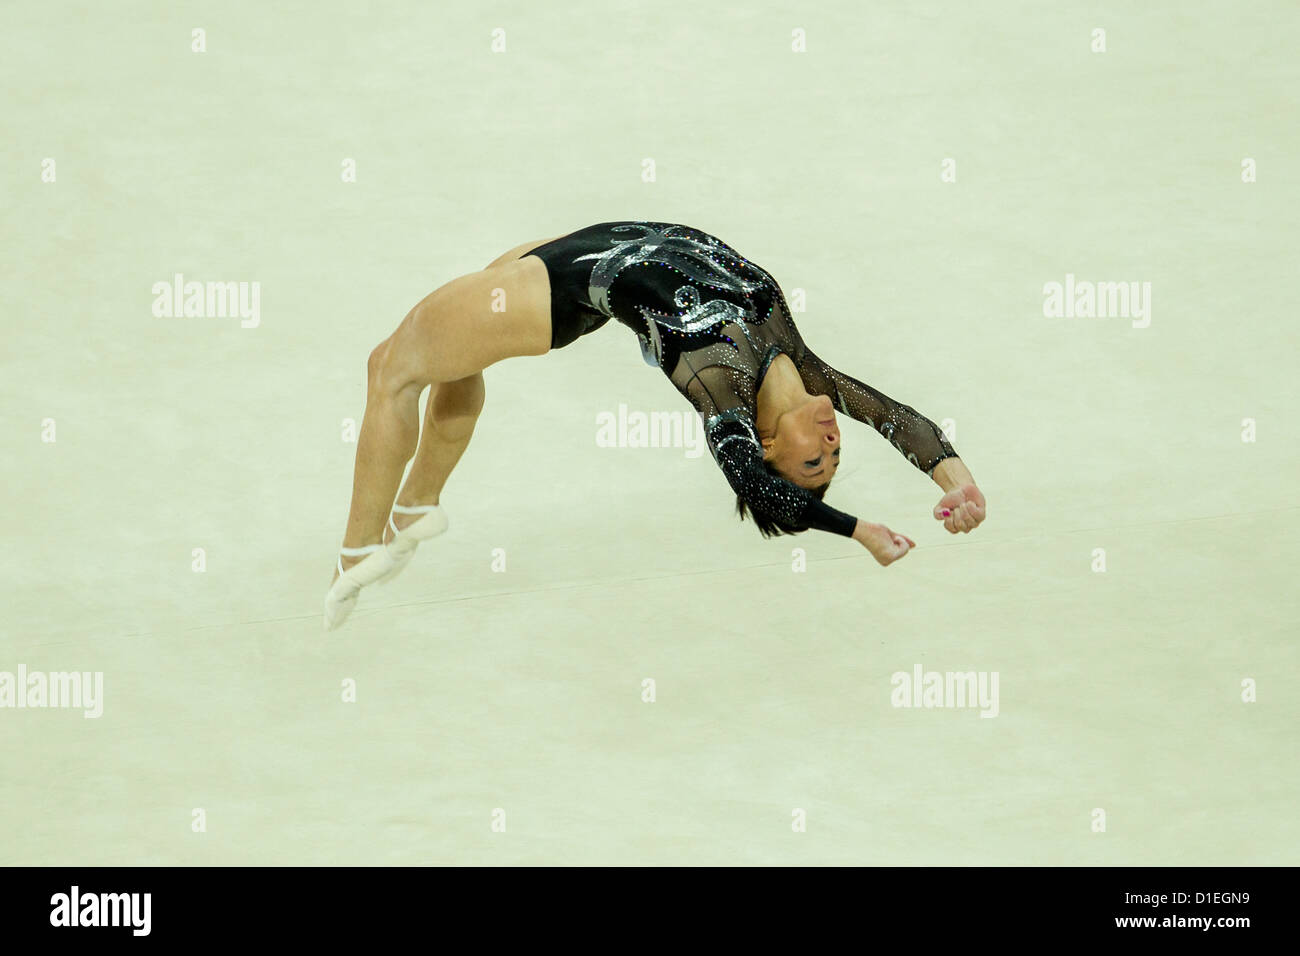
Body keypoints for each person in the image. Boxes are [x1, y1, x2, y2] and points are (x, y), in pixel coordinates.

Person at [325, 221, 987, 629]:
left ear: (766, 445)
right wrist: (958, 483)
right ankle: (415, 508)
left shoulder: (722, 393)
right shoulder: (811, 372)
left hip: (557, 289)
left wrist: (861, 530)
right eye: (835, 455)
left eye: (815, 462)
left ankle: (357, 557)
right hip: (582, 246)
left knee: (391, 369)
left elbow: (761, 492)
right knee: (457, 356)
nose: (833, 443)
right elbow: (898, 419)